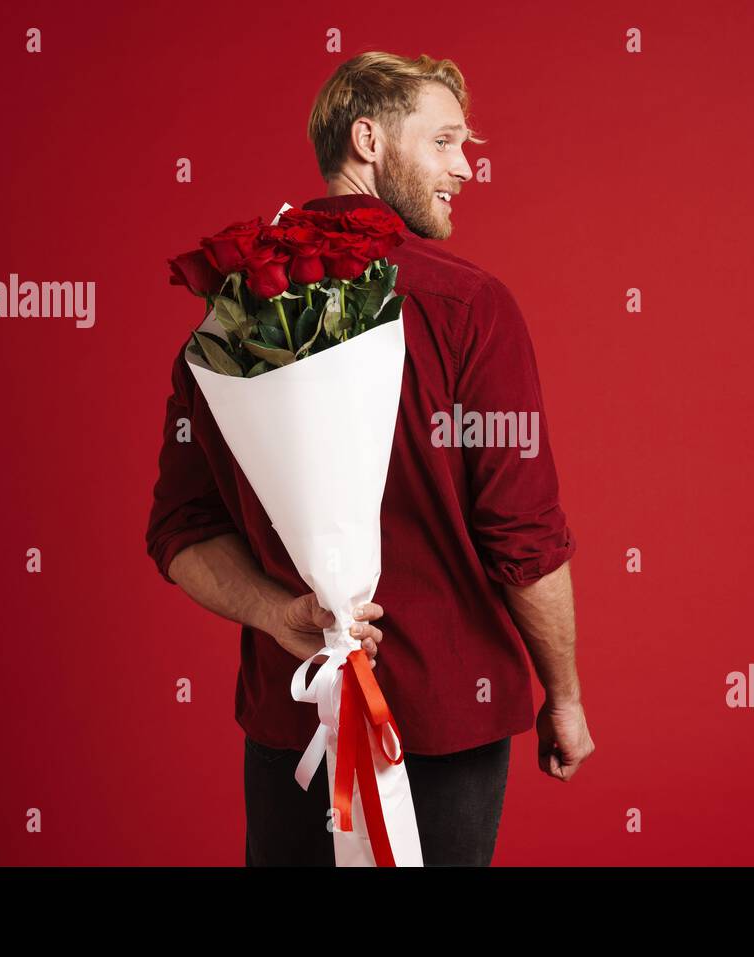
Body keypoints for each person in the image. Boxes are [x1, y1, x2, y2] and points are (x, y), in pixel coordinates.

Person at [145, 51, 593, 867]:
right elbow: (523, 537)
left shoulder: (232, 315)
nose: (467, 166)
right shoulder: (470, 306)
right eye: (447, 141)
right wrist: (564, 695)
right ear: (368, 140)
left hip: (292, 719)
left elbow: (181, 530)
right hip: (442, 722)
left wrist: (274, 613)